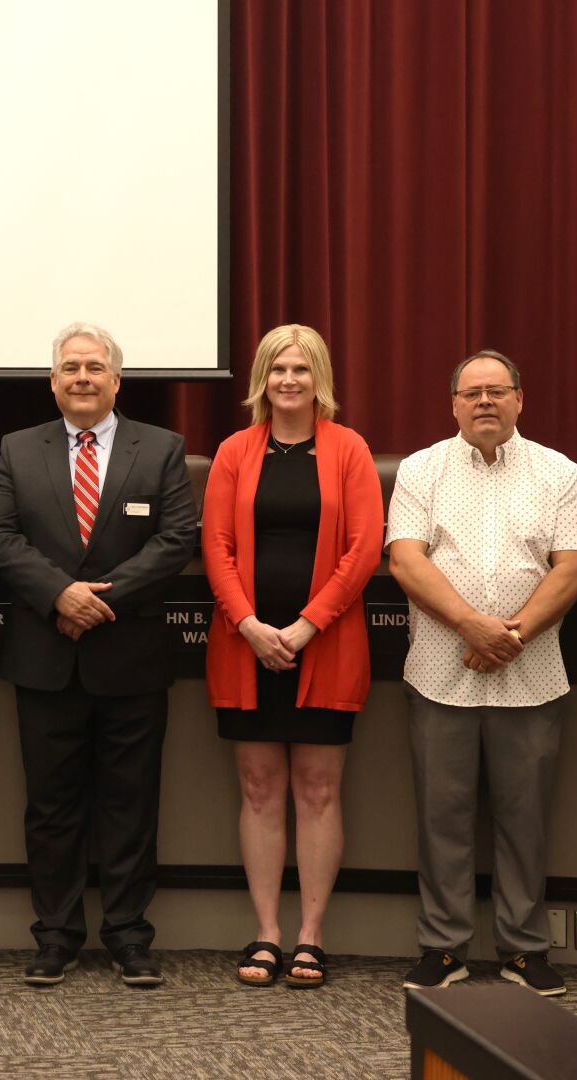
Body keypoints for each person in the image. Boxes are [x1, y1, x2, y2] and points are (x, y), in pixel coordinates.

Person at [0, 322, 197, 988]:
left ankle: (130, 936)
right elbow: (0, 537)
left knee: (130, 804)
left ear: (116, 380)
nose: (81, 377)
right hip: (46, 656)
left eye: (94, 367)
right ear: (52, 381)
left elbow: (176, 539)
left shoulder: (161, 448)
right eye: (69, 367)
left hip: (129, 654)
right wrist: (60, 596)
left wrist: (99, 601)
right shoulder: (18, 449)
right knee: (51, 807)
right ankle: (56, 936)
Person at [387, 350, 577, 997]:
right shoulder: (422, 469)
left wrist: (511, 635)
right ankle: (443, 947)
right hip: (438, 672)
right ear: (452, 404)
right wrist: (473, 625)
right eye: (471, 393)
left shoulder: (558, 471)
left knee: (524, 819)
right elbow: (406, 562)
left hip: (530, 674)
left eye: (496, 391)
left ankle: (525, 950)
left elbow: (573, 568)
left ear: (519, 400)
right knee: (441, 816)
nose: (484, 402)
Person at [201, 325, 383, 990]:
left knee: (318, 788)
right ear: (261, 379)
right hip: (243, 644)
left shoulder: (349, 450)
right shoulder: (233, 452)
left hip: (327, 645)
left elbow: (364, 548)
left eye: (301, 370)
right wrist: (249, 625)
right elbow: (215, 548)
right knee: (258, 789)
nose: (289, 381)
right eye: (278, 369)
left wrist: (305, 626)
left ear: (320, 379)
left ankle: (310, 934)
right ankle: (266, 933)